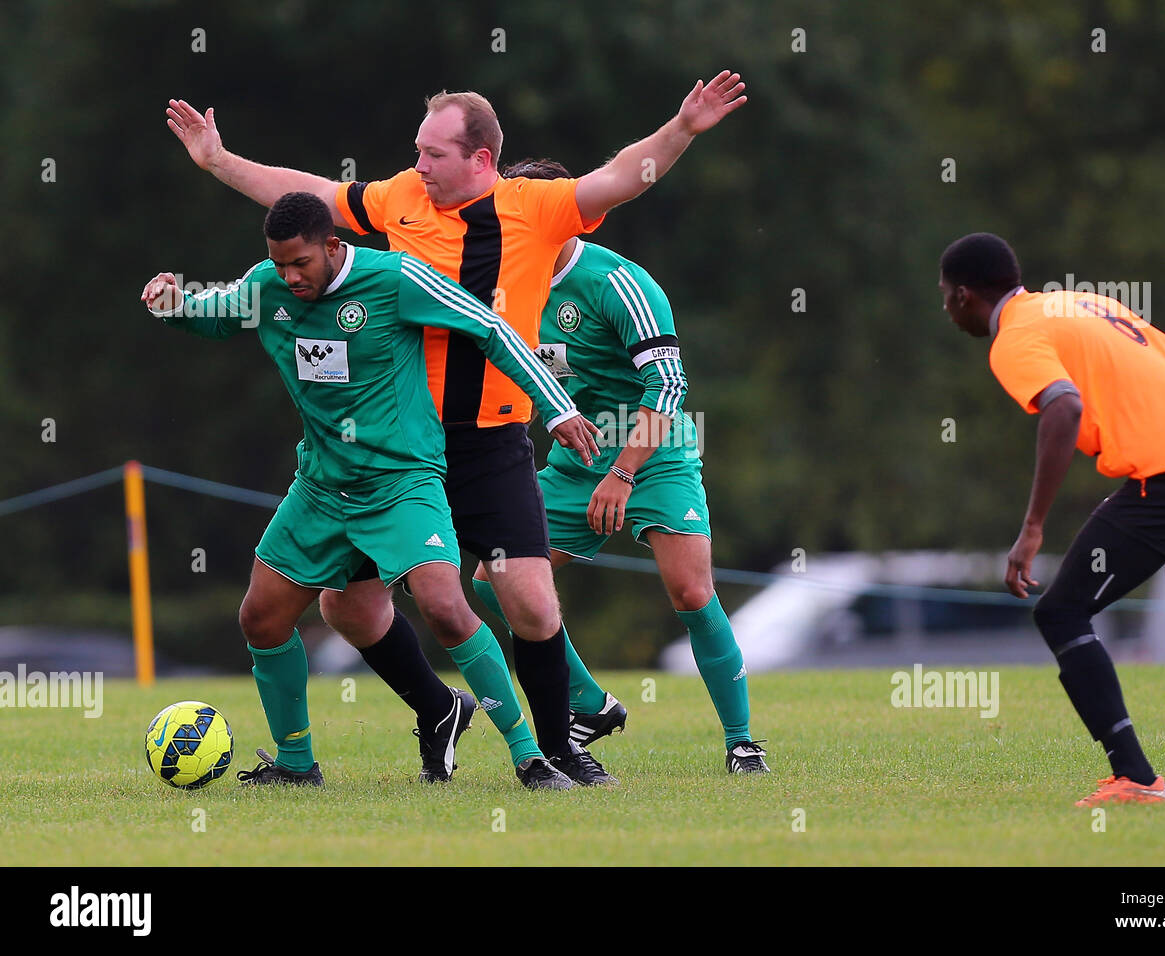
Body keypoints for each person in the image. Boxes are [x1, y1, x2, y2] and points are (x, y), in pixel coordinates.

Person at [164, 72, 746, 783]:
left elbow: (621, 176)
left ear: (480, 159)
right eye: (416, 150)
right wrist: (219, 160)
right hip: (401, 444)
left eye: (432, 154)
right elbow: (311, 196)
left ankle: (561, 750)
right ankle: (434, 712)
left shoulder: (535, 206)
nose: (417, 165)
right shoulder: (399, 198)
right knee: (345, 605)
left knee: (527, 600)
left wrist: (681, 128)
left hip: (489, 441)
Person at [140, 192, 600, 790]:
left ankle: (529, 756)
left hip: (402, 480)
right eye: (279, 265)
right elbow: (215, 314)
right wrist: (174, 304)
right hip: (323, 487)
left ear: (335, 246)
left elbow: (489, 327)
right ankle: (297, 765)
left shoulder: (396, 277)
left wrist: (556, 405)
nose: (290, 277)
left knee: (443, 605)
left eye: (301, 262)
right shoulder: (270, 286)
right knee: (261, 619)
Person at [940, 231, 1165, 806]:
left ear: (962, 296)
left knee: (1061, 612)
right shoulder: (1082, 301)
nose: (947, 310)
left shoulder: (1015, 336)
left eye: (945, 297)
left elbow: (1064, 405)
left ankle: (1137, 777)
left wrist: (1032, 527)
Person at [466, 158, 768, 773]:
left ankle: (741, 742)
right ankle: (590, 703)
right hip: (573, 461)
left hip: (652, 454)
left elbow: (670, 386)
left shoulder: (617, 282)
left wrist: (623, 472)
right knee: (490, 583)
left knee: (690, 590)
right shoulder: (504, 283)